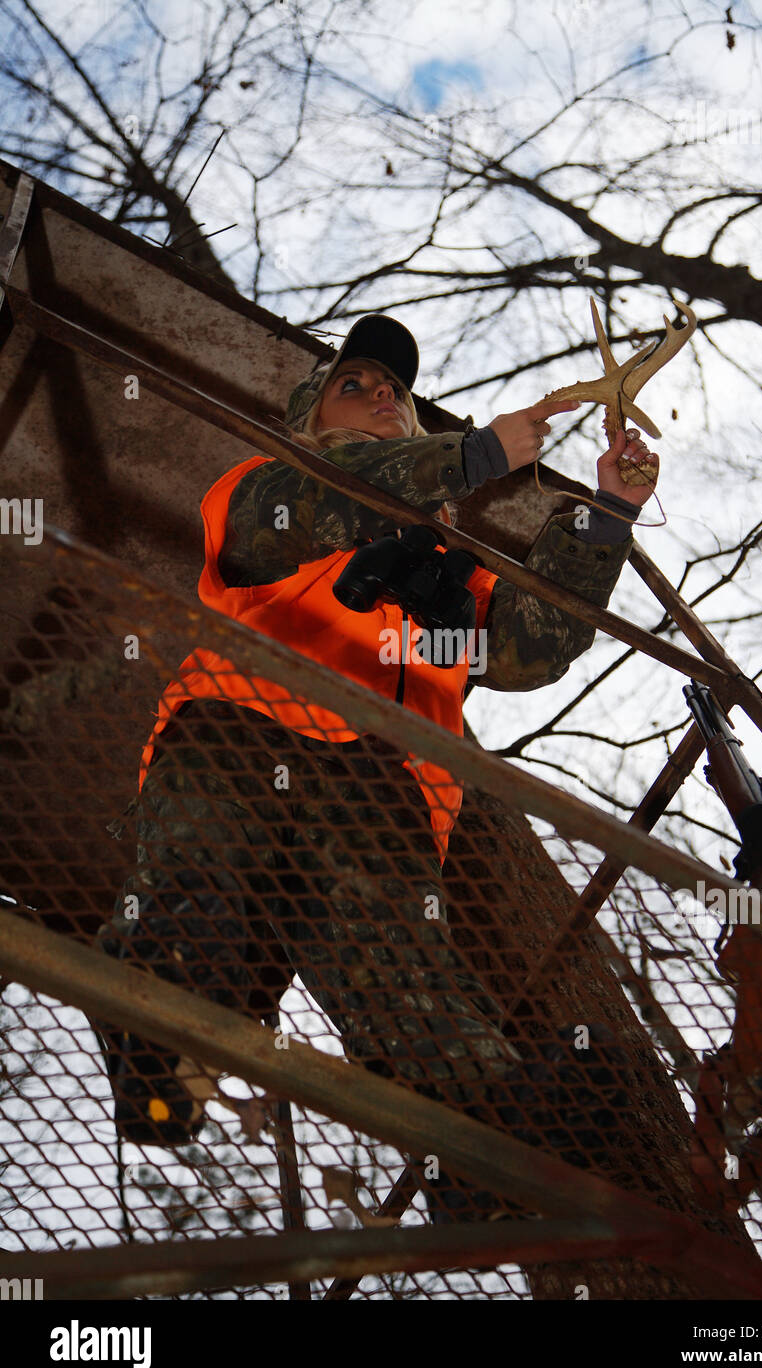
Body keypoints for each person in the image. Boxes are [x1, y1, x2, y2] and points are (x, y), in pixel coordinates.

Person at [93, 314, 658, 1220]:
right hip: (241, 731)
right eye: (354, 384)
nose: (383, 394)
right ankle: (166, 1051)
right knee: (199, 892)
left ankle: (484, 1141)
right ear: (306, 419)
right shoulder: (263, 488)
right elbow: (314, 507)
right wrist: (472, 458)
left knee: (405, 970)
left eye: (396, 392)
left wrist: (606, 514)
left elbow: (523, 650)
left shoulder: (447, 571)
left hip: (384, 792)